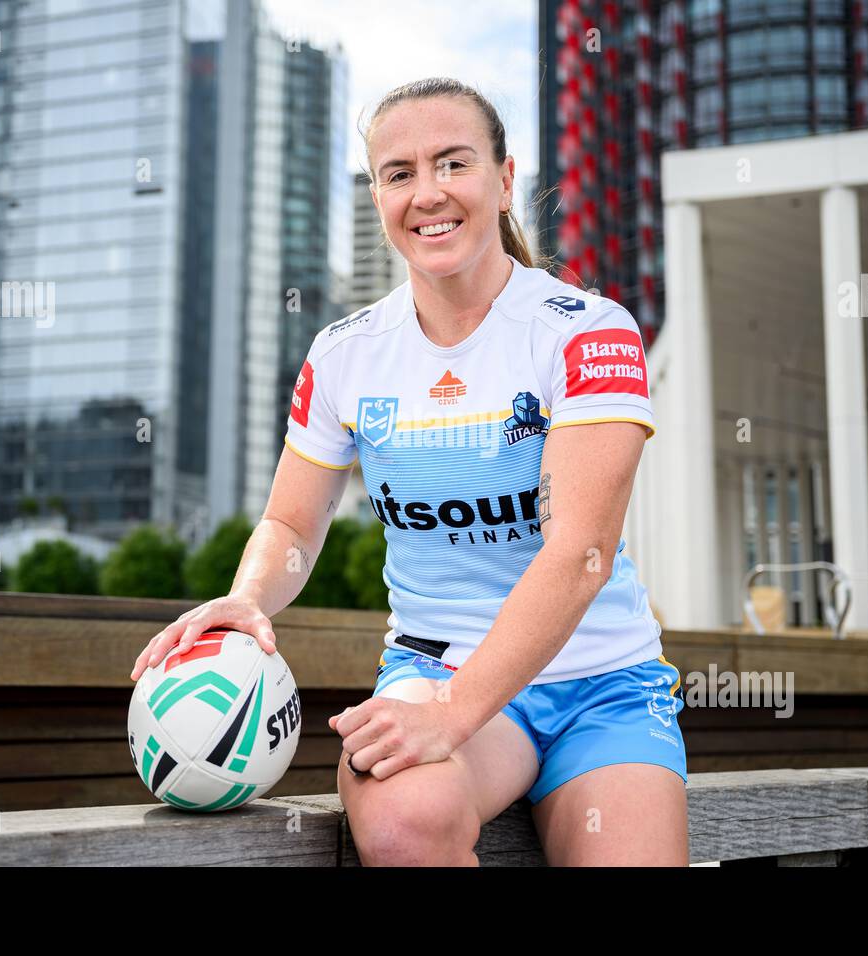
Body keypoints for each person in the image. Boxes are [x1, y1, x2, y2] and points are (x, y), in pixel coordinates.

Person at [131, 77, 687, 866]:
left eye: (453, 163)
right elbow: (291, 524)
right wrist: (248, 598)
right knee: (402, 823)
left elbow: (581, 553)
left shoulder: (589, 330)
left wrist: (454, 713)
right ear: (379, 199)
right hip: (433, 668)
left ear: (504, 181)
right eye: (399, 174)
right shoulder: (343, 354)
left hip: (600, 683)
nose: (428, 193)